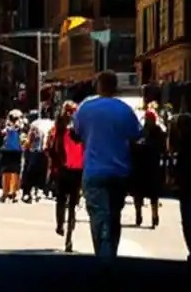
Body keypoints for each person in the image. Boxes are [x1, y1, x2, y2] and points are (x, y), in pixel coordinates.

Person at [71, 71, 142, 260]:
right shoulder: (125, 110)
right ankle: (111, 252)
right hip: (119, 171)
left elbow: (76, 134)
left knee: (98, 215)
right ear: (115, 87)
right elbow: (136, 136)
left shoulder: (86, 108)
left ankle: (102, 254)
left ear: (98, 86)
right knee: (114, 214)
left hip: (94, 171)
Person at [45, 100, 83, 253]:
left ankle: (60, 225)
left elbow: (50, 148)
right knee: (73, 204)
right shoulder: (82, 130)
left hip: (62, 169)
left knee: (61, 200)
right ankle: (69, 237)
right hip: (78, 170)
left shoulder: (58, 129)